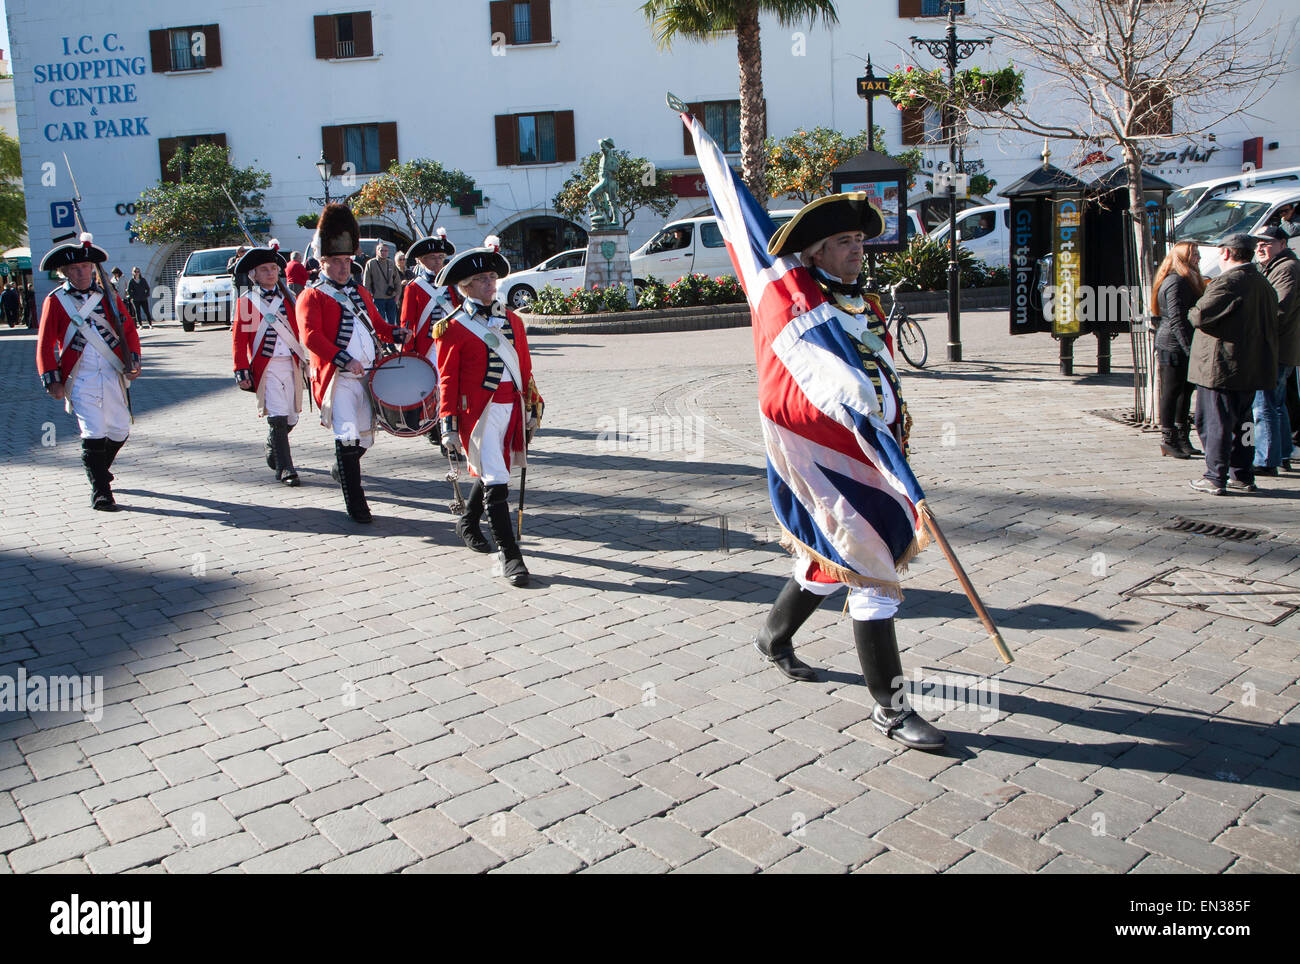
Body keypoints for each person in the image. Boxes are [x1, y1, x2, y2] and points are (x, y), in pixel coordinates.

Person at [754, 192, 944, 751]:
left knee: (827, 560)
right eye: (843, 242)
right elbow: (781, 396)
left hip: (876, 455)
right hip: (825, 461)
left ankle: (772, 636)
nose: (857, 250)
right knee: (873, 572)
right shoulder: (799, 315)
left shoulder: (865, 305)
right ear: (813, 254)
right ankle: (891, 709)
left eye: (860, 240)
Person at [434, 237, 544, 587]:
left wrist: (530, 406)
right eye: (482, 280)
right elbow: (447, 378)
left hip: (510, 409)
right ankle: (510, 556)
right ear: (465, 287)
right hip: (476, 415)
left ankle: (468, 520)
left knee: (494, 471)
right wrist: (448, 424)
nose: (490, 284)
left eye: (493, 279)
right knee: (497, 479)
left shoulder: (513, 320)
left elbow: (524, 369)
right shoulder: (451, 328)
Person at [297, 204, 408, 522]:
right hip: (338, 379)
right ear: (323, 261)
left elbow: (377, 326)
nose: (344, 267)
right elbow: (311, 337)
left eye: (347, 261)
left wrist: (397, 331)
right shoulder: (311, 296)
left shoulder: (360, 291)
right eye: (336, 261)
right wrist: (344, 359)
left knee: (365, 438)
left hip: (366, 377)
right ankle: (356, 506)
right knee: (346, 438)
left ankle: (342, 468)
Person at [35, 234, 142, 511]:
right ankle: (101, 491)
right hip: (79, 376)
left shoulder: (108, 294)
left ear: (93, 268)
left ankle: (98, 468)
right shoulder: (56, 300)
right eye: (73, 269)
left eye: (84, 267)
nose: (80, 272)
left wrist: (133, 362)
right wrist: (52, 380)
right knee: (93, 431)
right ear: (65, 272)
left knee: (119, 430)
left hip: (111, 370)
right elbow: (45, 343)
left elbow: (128, 329)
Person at [1187, 234, 1279, 495]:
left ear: (1226, 253)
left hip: (1223, 367)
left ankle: (1215, 476)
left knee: (1216, 423)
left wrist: (1193, 308)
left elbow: (1200, 315)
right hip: (1251, 367)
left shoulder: (1229, 281)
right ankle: (1243, 474)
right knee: (1244, 424)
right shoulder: (1261, 281)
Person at [232, 246, 307, 487]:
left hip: (292, 364)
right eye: (264, 269)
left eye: (274, 268)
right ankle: (286, 468)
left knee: (292, 417)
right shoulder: (247, 301)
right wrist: (241, 369)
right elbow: (239, 339)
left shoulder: (289, 298)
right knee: (277, 415)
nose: (271, 273)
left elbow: (300, 330)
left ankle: (273, 445)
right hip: (267, 367)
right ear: (254, 275)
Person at [400, 229, 459, 443]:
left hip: (452, 342)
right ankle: (436, 428)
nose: (437, 262)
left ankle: (448, 428)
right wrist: (408, 352)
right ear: (421, 260)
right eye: (432, 258)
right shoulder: (414, 287)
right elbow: (407, 321)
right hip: (429, 345)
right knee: (435, 389)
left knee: (451, 386)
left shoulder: (450, 284)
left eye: (440, 258)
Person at [1250, 225, 1300, 474]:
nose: (1260, 247)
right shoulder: (1275, 266)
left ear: (1283, 244)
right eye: (1258, 243)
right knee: (1275, 402)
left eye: (1266, 242)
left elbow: (1279, 310)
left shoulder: (1287, 268)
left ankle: (1266, 459)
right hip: (1279, 346)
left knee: (1264, 404)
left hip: (1276, 347)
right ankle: (1281, 454)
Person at [1150, 241, 1206, 459]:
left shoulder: (1189, 279)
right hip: (1172, 344)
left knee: (1186, 391)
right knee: (1172, 392)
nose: (1198, 258)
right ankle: (1168, 438)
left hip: (1183, 342)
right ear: (1182, 257)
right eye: (1194, 255)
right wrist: (1188, 348)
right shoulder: (1176, 281)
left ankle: (1183, 436)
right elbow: (1176, 318)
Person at [363, 242, 401, 326]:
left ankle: (392, 339)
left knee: (392, 322)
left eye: (386, 251)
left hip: (391, 297)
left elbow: (397, 281)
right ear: (377, 251)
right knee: (380, 322)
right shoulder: (371, 263)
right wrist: (368, 297)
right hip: (377, 298)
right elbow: (366, 283)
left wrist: (397, 295)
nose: (383, 252)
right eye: (381, 250)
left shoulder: (391, 263)